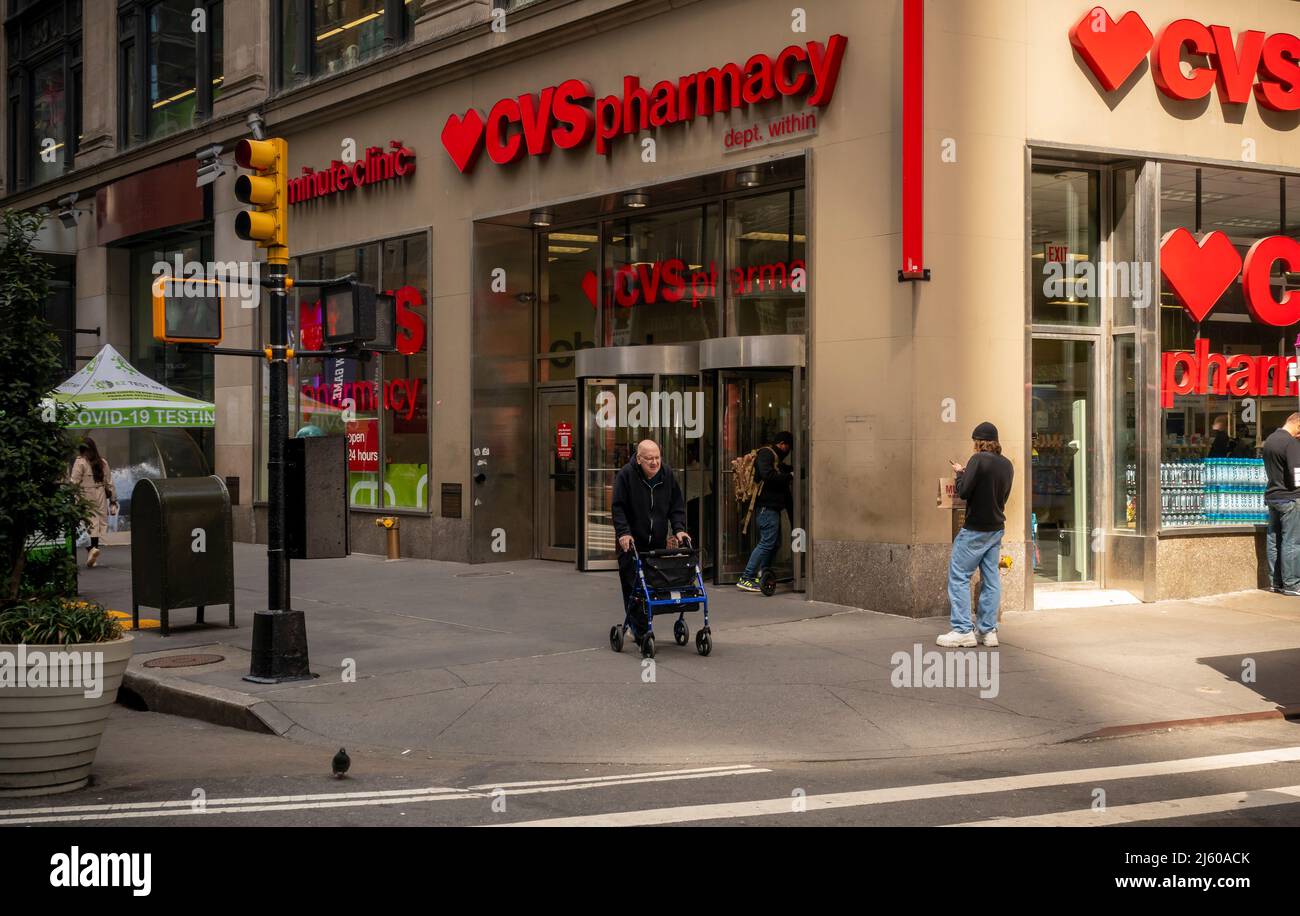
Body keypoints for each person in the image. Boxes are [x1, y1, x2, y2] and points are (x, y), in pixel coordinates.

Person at [938, 422, 1014, 647]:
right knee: (991, 578)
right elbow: (1004, 496)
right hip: (996, 527)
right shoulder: (1007, 465)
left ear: (978, 442)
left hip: (975, 529)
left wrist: (960, 473)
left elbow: (963, 491)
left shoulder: (978, 460)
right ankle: (988, 632)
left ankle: (962, 630)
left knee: (959, 575)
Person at [611, 439, 689, 640]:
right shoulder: (626, 476)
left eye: (657, 458)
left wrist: (679, 529)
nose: (655, 462)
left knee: (652, 585)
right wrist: (623, 533)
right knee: (633, 585)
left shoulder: (667, 474)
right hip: (631, 542)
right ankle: (640, 630)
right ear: (638, 459)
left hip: (656, 541)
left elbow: (676, 505)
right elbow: (618, 507)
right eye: (649, 459)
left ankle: (641, 624)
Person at [737, 431, 794, 592]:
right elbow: (767, 475)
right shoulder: (766, 454)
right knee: (767, 542)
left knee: (774, 543)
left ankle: (762, 573)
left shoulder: (775, 458)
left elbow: (784, 470)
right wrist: (789, 476)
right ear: (782, 444)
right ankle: (746, 577)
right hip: (766, 508)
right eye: (788, 447)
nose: (788, 450)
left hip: (771, 509)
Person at [1262, 412, 1300, 596]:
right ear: (1298, 426)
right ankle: (1292, 584)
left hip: (1273, 496)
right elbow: (1297, 472)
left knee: (1274, 540)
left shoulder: (1269, 440)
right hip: (1290, 497)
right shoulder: (1290, 442)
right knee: (1292, 541)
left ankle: (1275, 582)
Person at [69, 437, 117, 568]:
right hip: (100, 493)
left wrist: (71, 497)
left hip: (86, 494)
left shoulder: (80, 462)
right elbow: (110, 483)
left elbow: (74, 482)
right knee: (97, 524)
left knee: (86, 524)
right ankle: (93, 553)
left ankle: (91, 549)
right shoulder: (102, 462)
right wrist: (113, 501)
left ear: (82, 449)